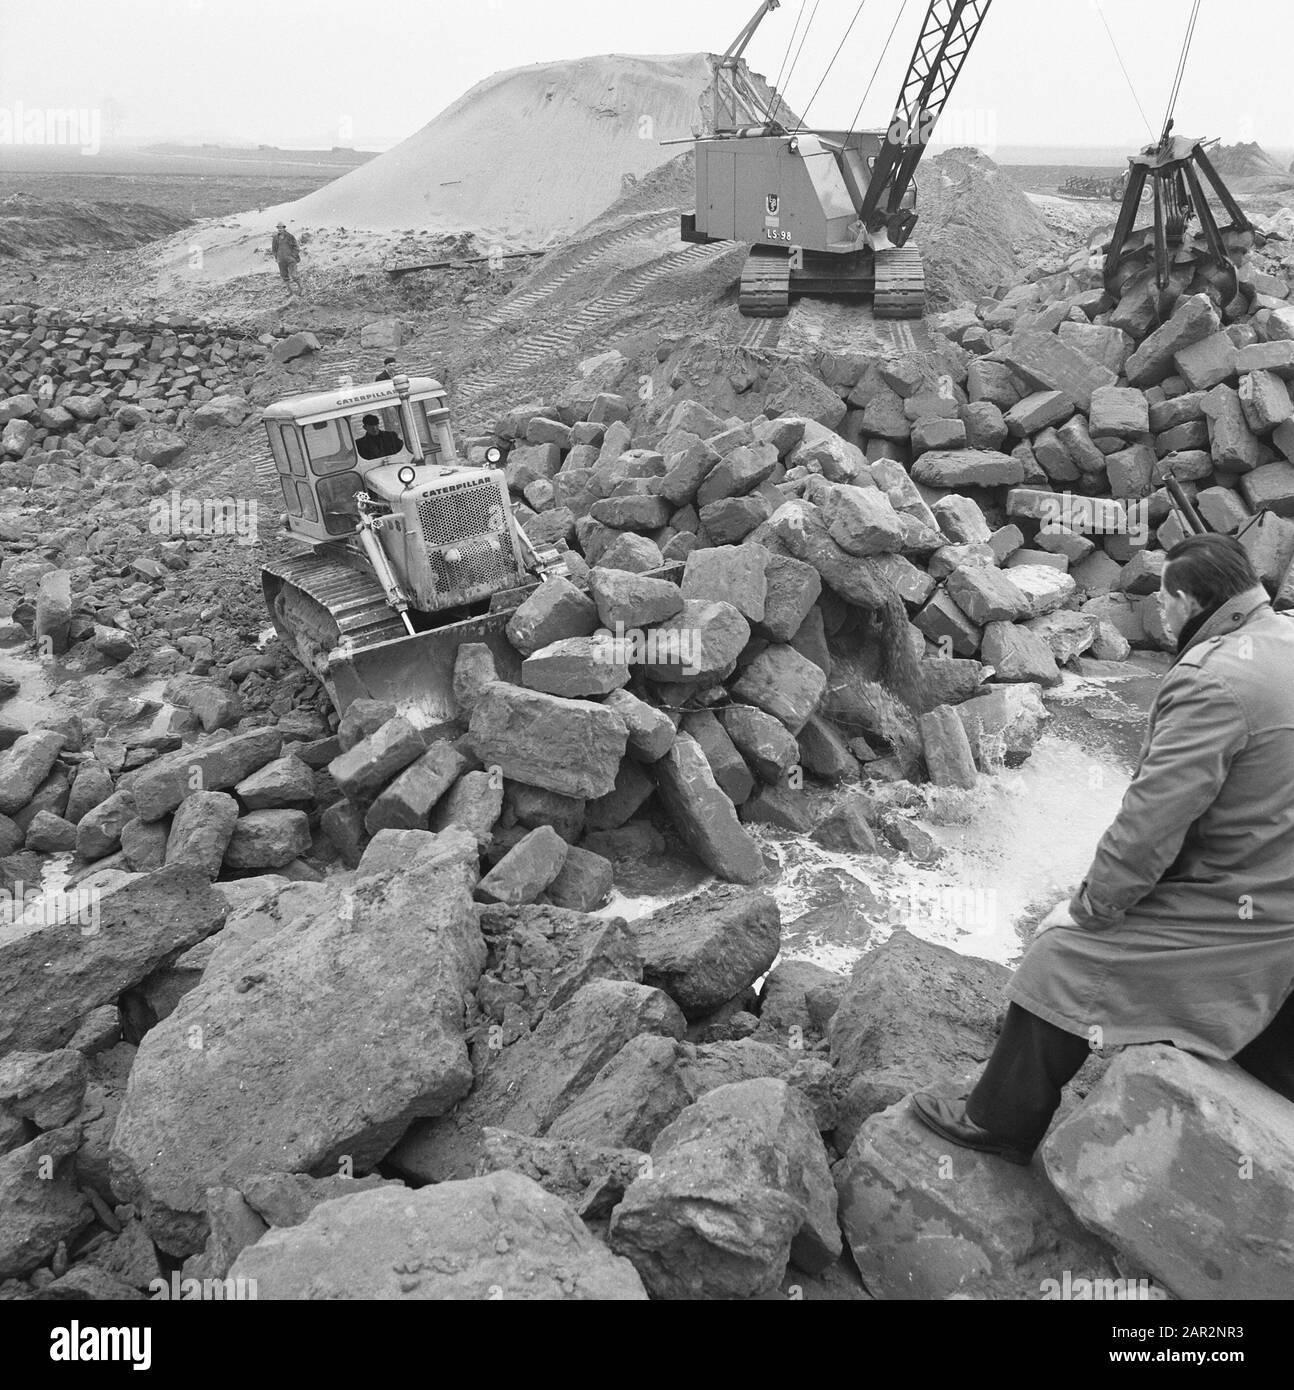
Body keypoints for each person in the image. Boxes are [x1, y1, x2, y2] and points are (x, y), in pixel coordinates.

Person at [912, 534, 1294, 1165]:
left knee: (1061, 955)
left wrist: (1091, 909)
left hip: (1251, 906)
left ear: (1187, 598)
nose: (1160, 619)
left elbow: (1151, 823)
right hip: (1275, 879)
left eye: (1163, 604)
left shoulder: (1211, 681)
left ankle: (999, 1121)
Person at [271, 222, 303, 295]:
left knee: (294, 275)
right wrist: (276, 257)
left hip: (290, 260)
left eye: (281, 228)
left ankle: (301, 288)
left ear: (284, 228)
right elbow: (274, 249)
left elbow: (296, 247)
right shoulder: (275, 238)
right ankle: (290, 291)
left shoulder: (290, 236)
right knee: (284, 276)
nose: (280, 229)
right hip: (281, 260)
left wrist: (293, 256)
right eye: (278, 228)